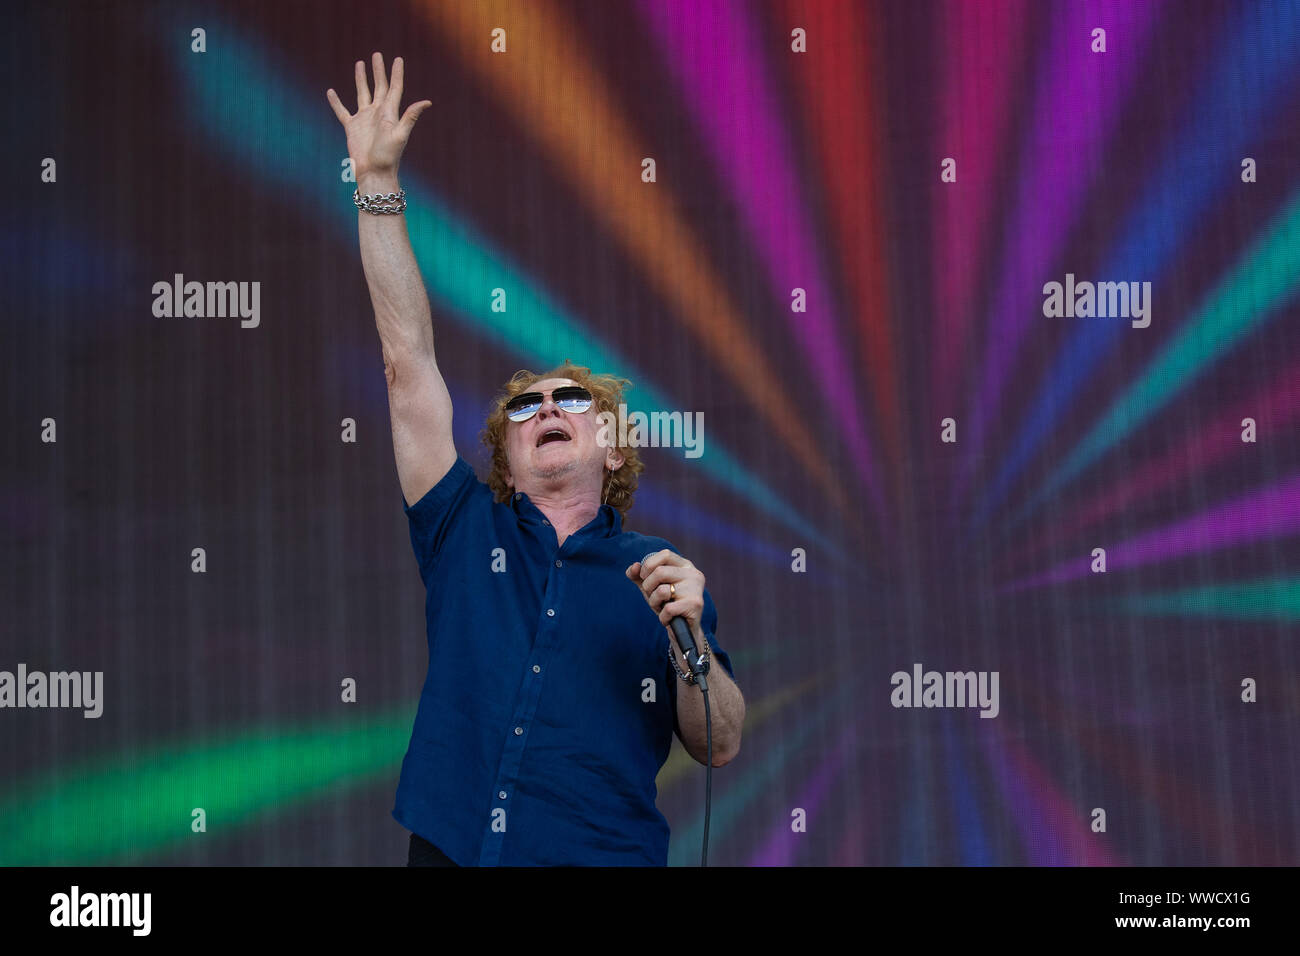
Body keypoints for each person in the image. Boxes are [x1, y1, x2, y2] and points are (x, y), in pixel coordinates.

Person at [328, 53, 745, 866]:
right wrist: (375, 186)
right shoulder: (460, 527)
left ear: (613, 447)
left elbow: (719, 743)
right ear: (508, 458)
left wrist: (688, 636)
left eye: (570, 400)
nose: (546, 409)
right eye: (524, 406)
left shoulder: (658, 579)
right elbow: (405, 362)